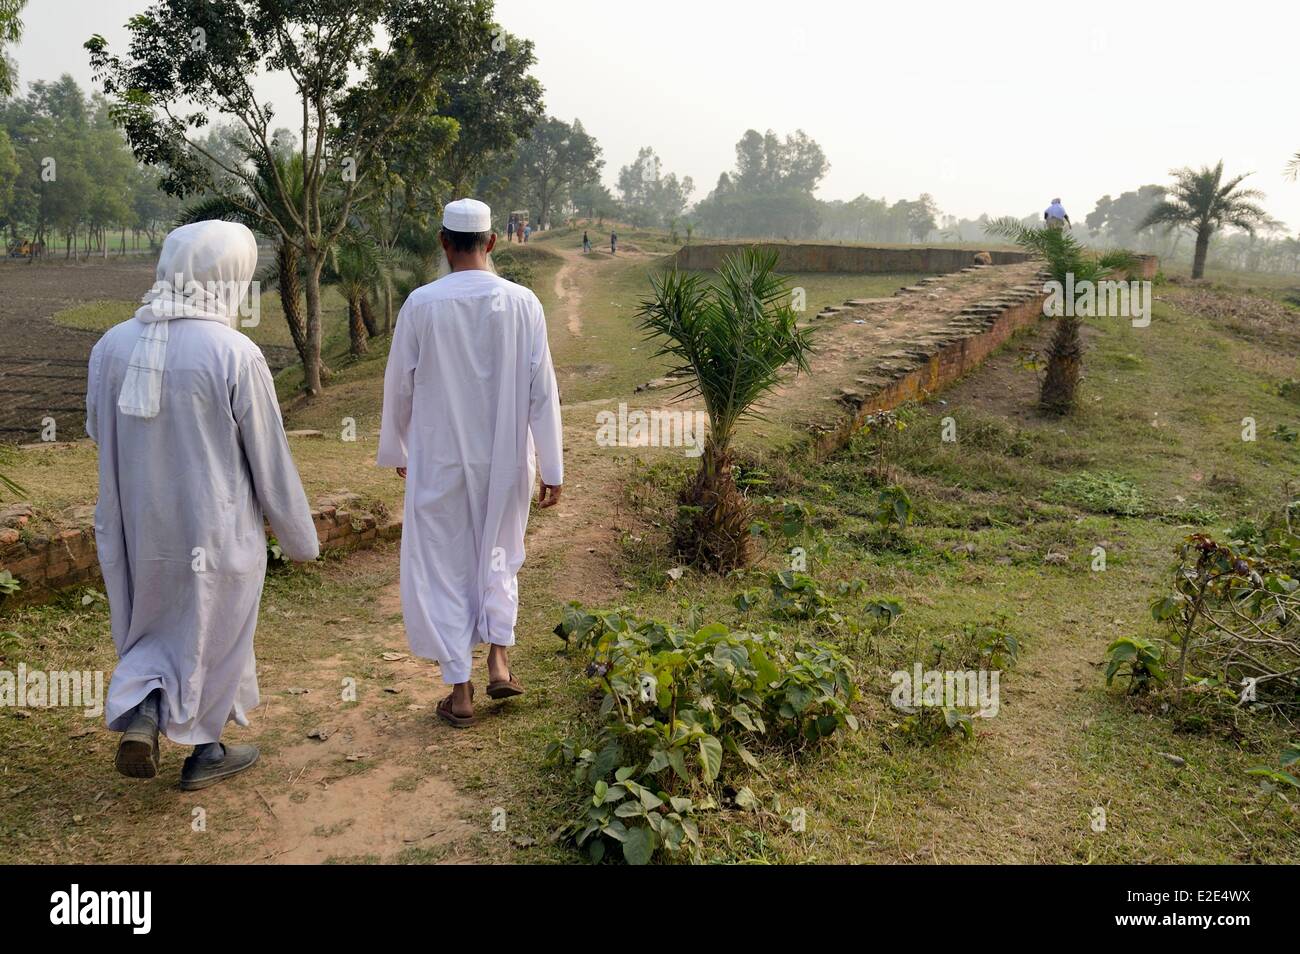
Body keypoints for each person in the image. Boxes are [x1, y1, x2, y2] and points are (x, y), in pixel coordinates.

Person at [85, 220, 319, 790]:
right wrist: (299, 538)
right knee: (215, 628)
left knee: (151, 622)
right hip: (215, 528)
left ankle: (144, 709)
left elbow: (97, 428)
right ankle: (206, 752)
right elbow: (269, 458)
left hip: (137, 526)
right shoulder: (234, 353)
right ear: (230, 277)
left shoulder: (112, 345)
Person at [378, 198, 564, 728]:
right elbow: (542, 392)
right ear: (493, 242)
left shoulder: (421, 304)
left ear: (443, 242)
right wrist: (553, 467)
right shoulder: (524, 303)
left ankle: (460, 692)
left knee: (443, 565)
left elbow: (399, 383)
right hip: (507, 460)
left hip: (439, 461)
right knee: (502, 553)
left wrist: (399, 447)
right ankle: (499, 662)